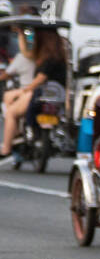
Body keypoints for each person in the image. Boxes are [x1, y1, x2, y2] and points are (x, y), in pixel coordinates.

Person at [0, 27, 65, 160]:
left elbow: (40, 79)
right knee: (9, 96)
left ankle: (6, 148)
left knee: (11, 112)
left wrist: (24, 90)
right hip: (57, 94)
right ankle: (17, 132)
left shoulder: (48, 59)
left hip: (42, 93)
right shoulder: (59, 56)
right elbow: (26, 53)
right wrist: (20, 34)